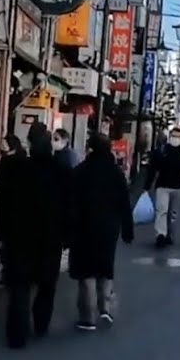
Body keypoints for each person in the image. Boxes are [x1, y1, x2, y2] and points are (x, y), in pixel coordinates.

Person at [0, 122, 71, 348]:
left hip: (19, 237)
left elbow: (2, 201)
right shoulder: (61, 171)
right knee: (47, 284)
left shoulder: (15, 168)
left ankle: (17, 334)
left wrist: (2, 231)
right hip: (50, 238)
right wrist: (67, 235)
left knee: (19, 286)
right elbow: (69, 206)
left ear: (28, 143)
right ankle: (41, 324)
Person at [68, 134, 134, 331]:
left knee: (86, 272)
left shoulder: (80, 172)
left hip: (84, 228)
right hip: (109, 229)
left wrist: (68, 229)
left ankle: (87, 317)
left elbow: (70, 203)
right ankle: (105, 307)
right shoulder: (116, 173)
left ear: (90, 149)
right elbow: (124, 202)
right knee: (105, 268)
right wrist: (127, 230)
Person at [142, 127, 180, 247]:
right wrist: (147, 185)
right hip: (162, 186)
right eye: (174, 136)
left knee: (173, 213)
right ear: (169, 137)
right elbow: (152, 169)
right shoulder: (162, 151)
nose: (175, 139)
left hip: (178, 187)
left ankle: (170, 235)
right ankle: (161, 234)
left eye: (178, 136)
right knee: (162, 210)